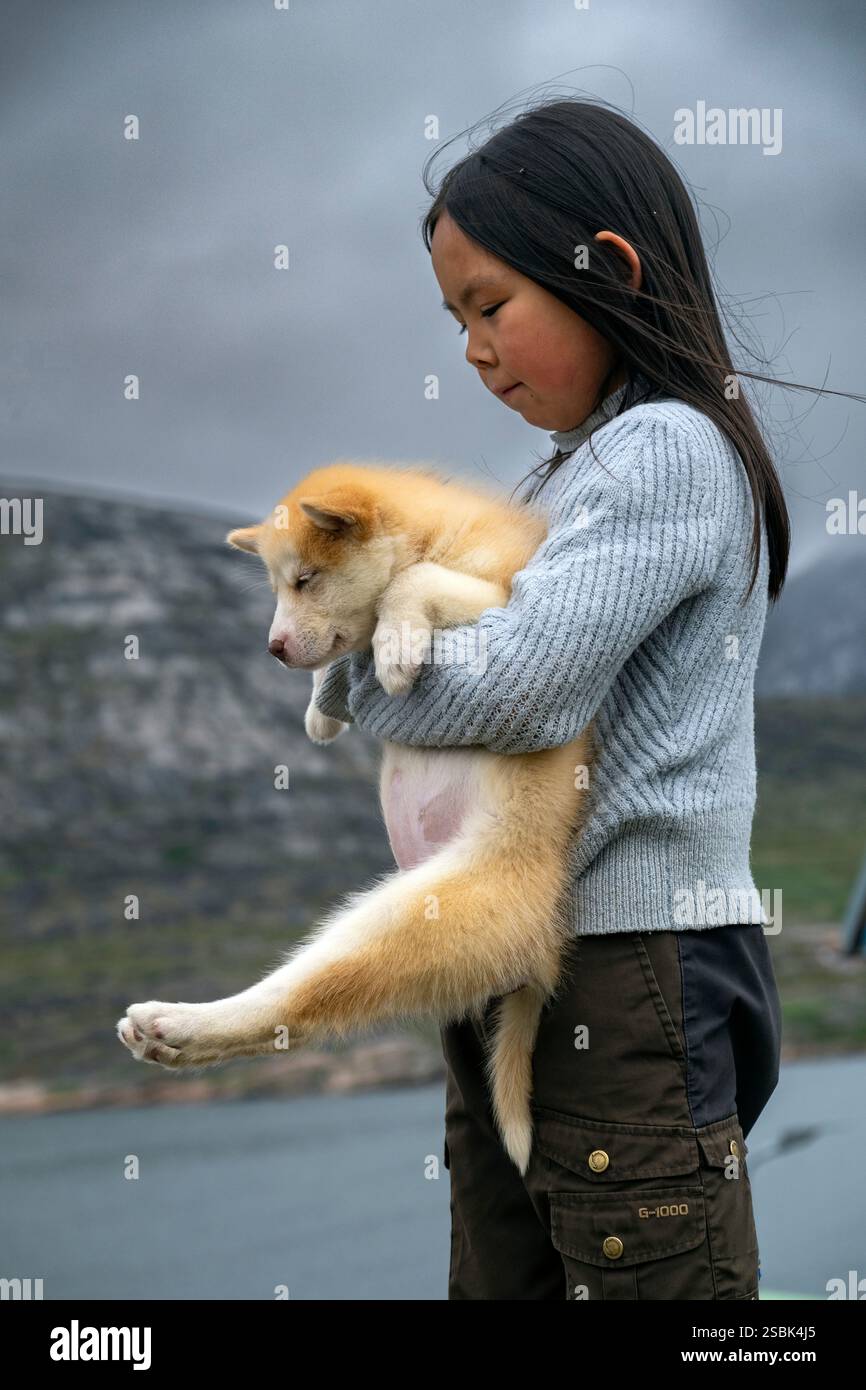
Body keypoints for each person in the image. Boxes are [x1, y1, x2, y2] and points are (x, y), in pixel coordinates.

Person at [314, 98, 802, 1301]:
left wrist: (347, 669)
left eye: (491, 306)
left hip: (625, 967)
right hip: (519, 968)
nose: (472, 350)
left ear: (610, 272)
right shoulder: (574, 471)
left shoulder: (664, 453)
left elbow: (516, 692)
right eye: (454, 319)